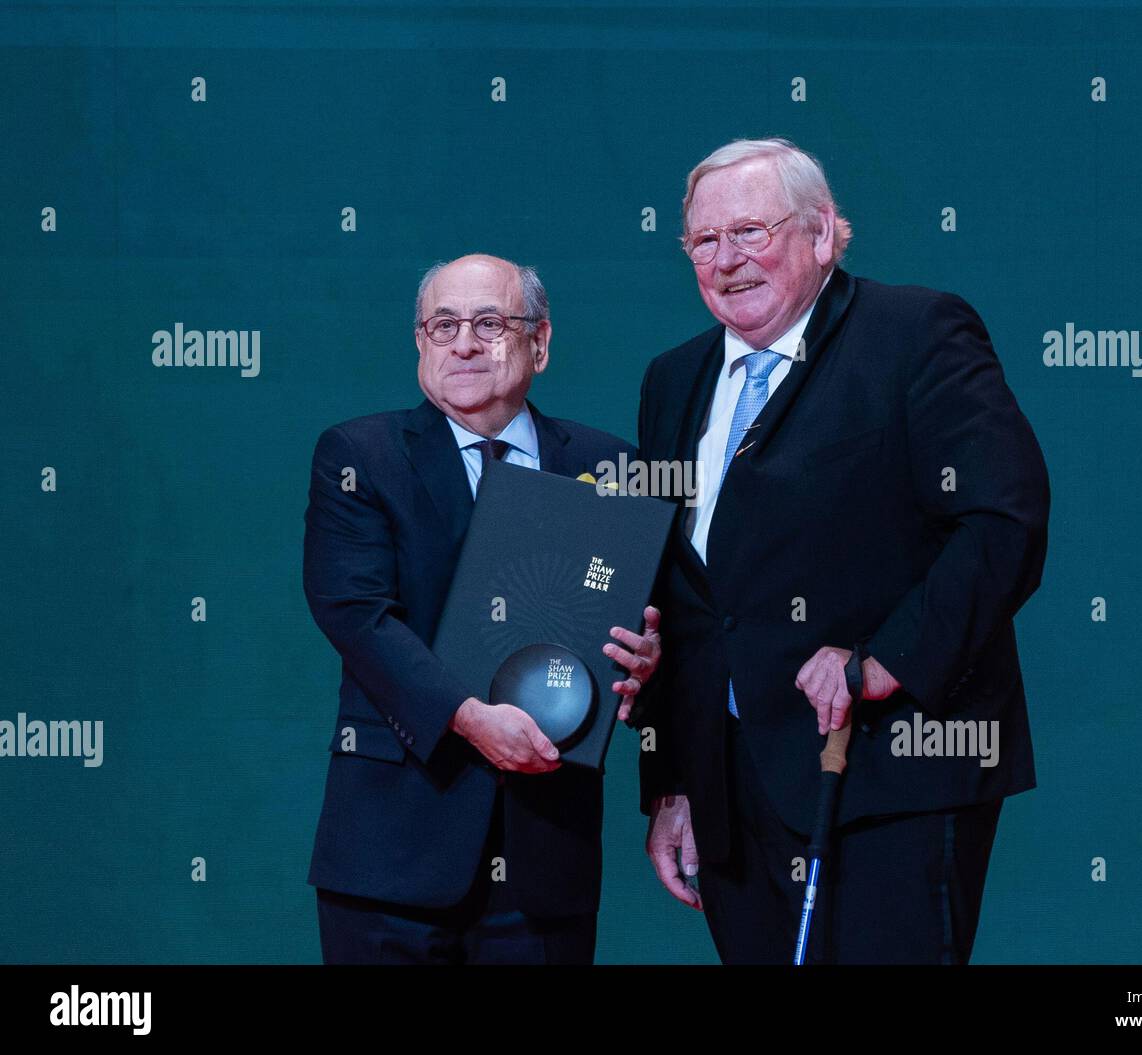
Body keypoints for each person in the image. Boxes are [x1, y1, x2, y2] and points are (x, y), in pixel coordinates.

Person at [633, 138, 1050, 964]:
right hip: (733, 797)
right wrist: (674, 783)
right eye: (704, 242)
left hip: (887, 771)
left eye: (751, 231)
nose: (727, 260)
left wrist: (884, 659)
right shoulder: (672, 379)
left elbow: (1004, 520)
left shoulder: (916, 332)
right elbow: (682, 597)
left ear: (823, 234)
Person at [303, 253, 661, 964]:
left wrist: (649, 659)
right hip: (393, 856)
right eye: (443, 325)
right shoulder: (360, 455)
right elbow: (358, 615)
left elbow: (652, 630)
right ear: (419, 343)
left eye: (490, 323)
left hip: (545, 861)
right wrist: (470, 718)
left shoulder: (613, 465)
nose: (463, 343)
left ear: (541, 342)